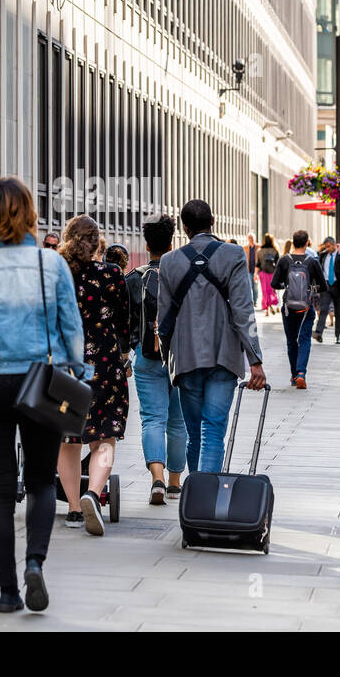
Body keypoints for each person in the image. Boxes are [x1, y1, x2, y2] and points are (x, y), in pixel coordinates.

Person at [0, 177, 88, 614]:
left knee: (1, 488)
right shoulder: (52, 265)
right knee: (43, 481)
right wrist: (77, 372)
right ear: (29, 213)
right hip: (40, 382)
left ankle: (7, 592)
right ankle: (35, 564)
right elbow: (72, 329)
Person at [158, 199, 265, 473]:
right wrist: (255, 359)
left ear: (184, 227)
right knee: (213, 433)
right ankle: (205, 499)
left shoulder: (169, 262)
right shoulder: (233, 255)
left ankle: (195, 495)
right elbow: (244, 309)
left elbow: (163, 319)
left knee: (195, 436)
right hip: (224, 357)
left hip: (186, 359)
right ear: (213, 221)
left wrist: (166, 358)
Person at [55, 215, 131, 536]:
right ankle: (93, 494)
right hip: (104, 363)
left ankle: (73, 507)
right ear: (99, 242)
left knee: (68, 440)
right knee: (105, 435)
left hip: (65, 364)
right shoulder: (112, 274)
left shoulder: (58, 275)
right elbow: (124, 324)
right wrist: (124, 354)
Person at [124, 214, 187, 504]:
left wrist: (128, 353)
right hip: (180, 356)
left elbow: (125, 326)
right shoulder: (184, 275)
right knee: (178, 421)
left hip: (147, 357)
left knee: (152, 419)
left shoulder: (134, 279)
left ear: (146, 243)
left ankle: (157, 479)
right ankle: (176, 483)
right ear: (172, 243)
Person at [271, 230, 327, 388]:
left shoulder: (284, 260)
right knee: (304, 339)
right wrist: (311, 288)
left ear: (293, 242)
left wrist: (287, 286)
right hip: (306, 307)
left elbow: (274, 284)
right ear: (307, 242)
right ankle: (301, 372)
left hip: (288, 307)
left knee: (291, 341)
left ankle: (294, 375)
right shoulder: (312, 261)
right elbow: (323, 286)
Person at [313, 237, 340, 345]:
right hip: (326, 286)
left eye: (329, 246)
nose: (327, 249)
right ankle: (318, 333)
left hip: (338, 286)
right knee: (323, 309)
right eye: (326, 247)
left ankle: (337, 336)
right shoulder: (323, 255)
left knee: (338, 312)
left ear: (334, 245)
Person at [255, 234, 281, 315]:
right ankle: (272, 305)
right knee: (272, 290)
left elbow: (258, 264)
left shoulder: (260, 251)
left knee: (265, 291)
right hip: (272, 273)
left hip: (263, 273)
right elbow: (278, 264)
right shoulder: (275, 251)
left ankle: (267, 309)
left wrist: (255, 274)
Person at [245, 233, 259, 308]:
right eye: (249, 238)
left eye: (252, 237)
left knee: (255, 287)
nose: (251, 239)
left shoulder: (258, 247)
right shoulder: (245, 248)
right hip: (248, 270)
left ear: (254, 238)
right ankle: (251, 301)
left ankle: (255, 301)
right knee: (249, 286)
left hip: (256, 270)